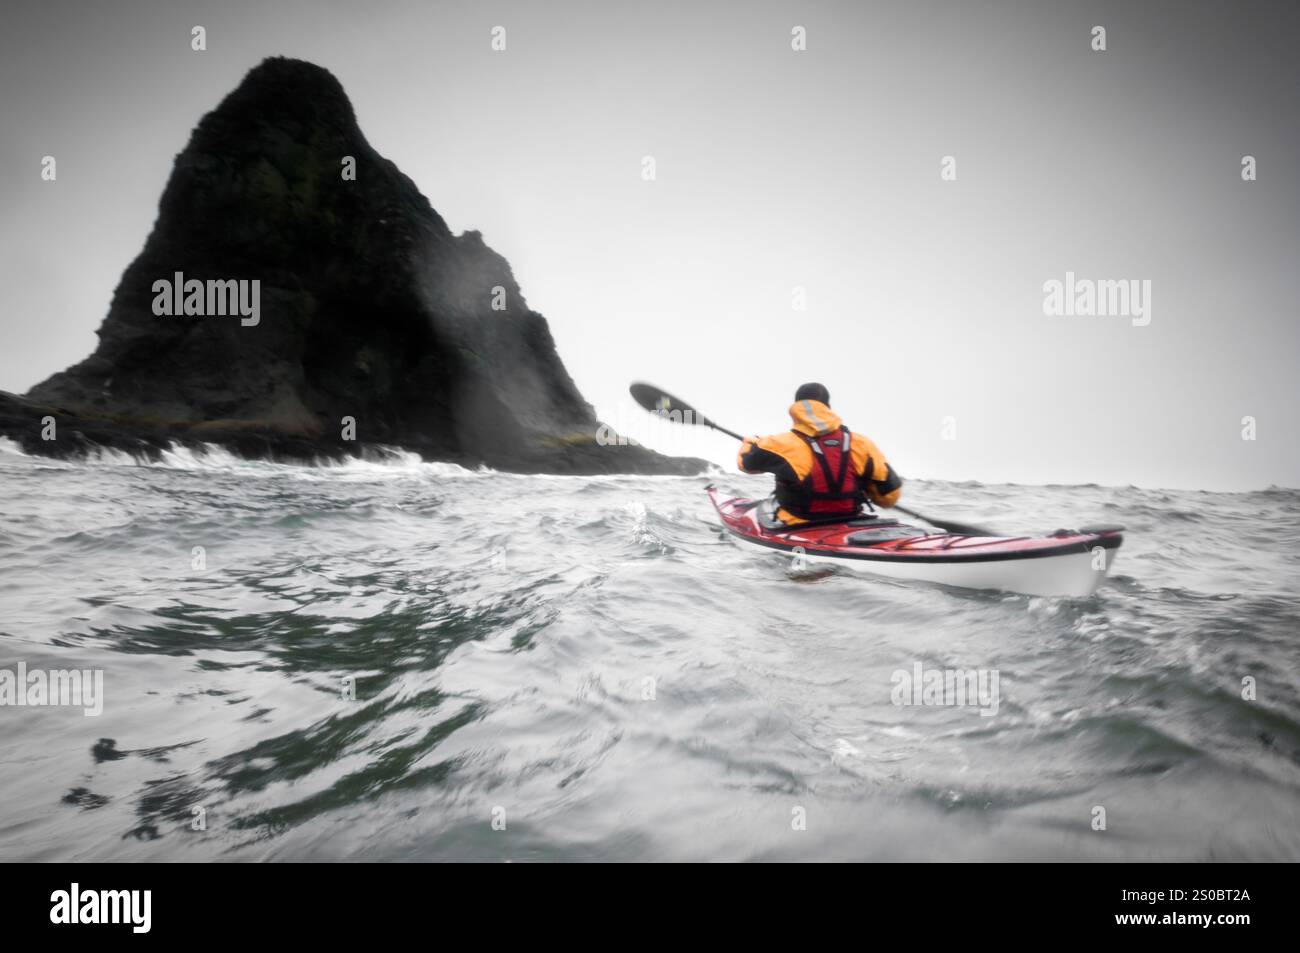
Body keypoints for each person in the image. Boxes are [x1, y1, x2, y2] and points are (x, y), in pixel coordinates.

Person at [737, 383, 902, 525]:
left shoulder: (780, 444)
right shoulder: (862, 444)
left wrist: (751, 442)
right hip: (851, 522)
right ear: (827, 407)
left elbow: (746, 464)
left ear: (796, 408)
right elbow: (890, 497)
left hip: (798, 525)